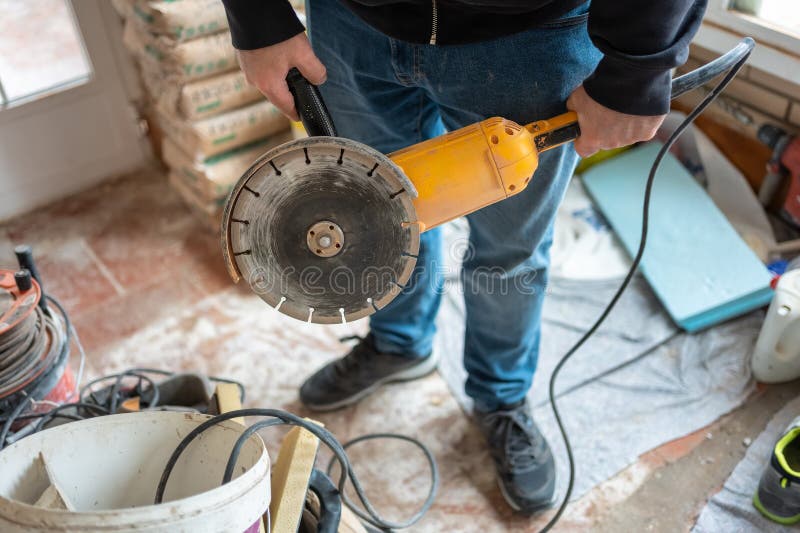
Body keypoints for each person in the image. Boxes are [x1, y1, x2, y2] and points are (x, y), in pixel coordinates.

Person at [221, 0, 706, 514]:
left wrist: (638, 66)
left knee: (510, 250)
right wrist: (260, 18)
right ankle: (399, 343)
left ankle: (501, 396)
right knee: (376, 222)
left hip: (530, 38)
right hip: (351, 23)